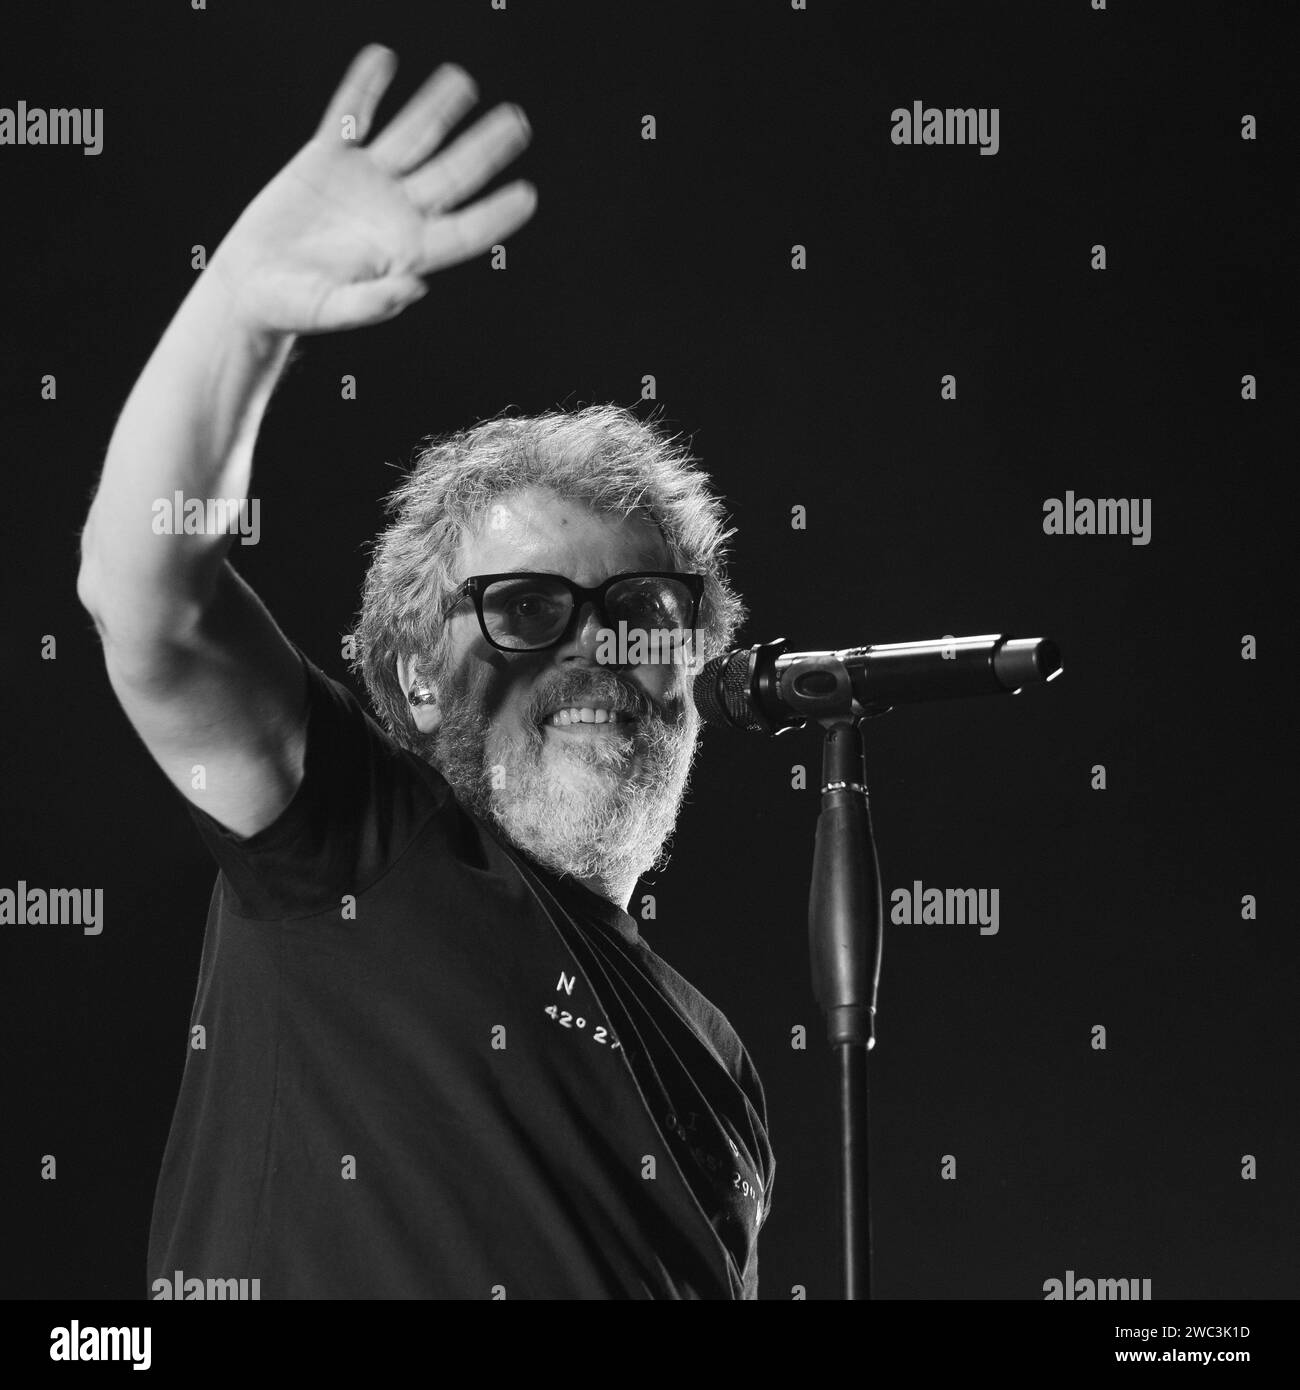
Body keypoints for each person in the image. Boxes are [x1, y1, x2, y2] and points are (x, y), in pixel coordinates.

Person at [77, 44, 773, 1300]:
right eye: (524, 608)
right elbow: (148, 602)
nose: (597, 649)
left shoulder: (717, 1057)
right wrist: (240, 313)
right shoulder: (363, 845)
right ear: (407, 680)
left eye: (645, 611)